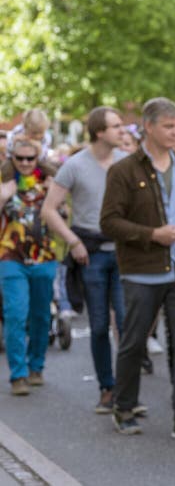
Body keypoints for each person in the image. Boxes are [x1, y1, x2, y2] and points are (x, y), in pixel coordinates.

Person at [100, 97, 175, 442]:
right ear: (148, 126)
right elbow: (109, 222)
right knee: (134, 342)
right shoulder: (123, 170)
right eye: (168, 126)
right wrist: (152, 235)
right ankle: (125, 407)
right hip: (142, 269)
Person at [41, 106, 127, 413]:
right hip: (90, 253)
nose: (123, 131)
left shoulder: (126, 162)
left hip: (124, 253)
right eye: (116, 126)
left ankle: (127, 394)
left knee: (128, 322)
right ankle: (107, 388)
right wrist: (73, 241)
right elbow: (49, 209)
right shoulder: (75, 165)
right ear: (100, 131)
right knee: (100, 324)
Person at [0, 138, 58, 396]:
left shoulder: (50, 183)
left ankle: (37, 366)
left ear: (38, 159)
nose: (24, 163)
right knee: (15, 314)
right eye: (19, 158)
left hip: (44, 257)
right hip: (11, 257)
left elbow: (64, 215)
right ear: (12, 157)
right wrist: (4, 195)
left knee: (41, 316)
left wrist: (54, 193)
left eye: (29, 158)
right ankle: (18, 375)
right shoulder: (4, 183)